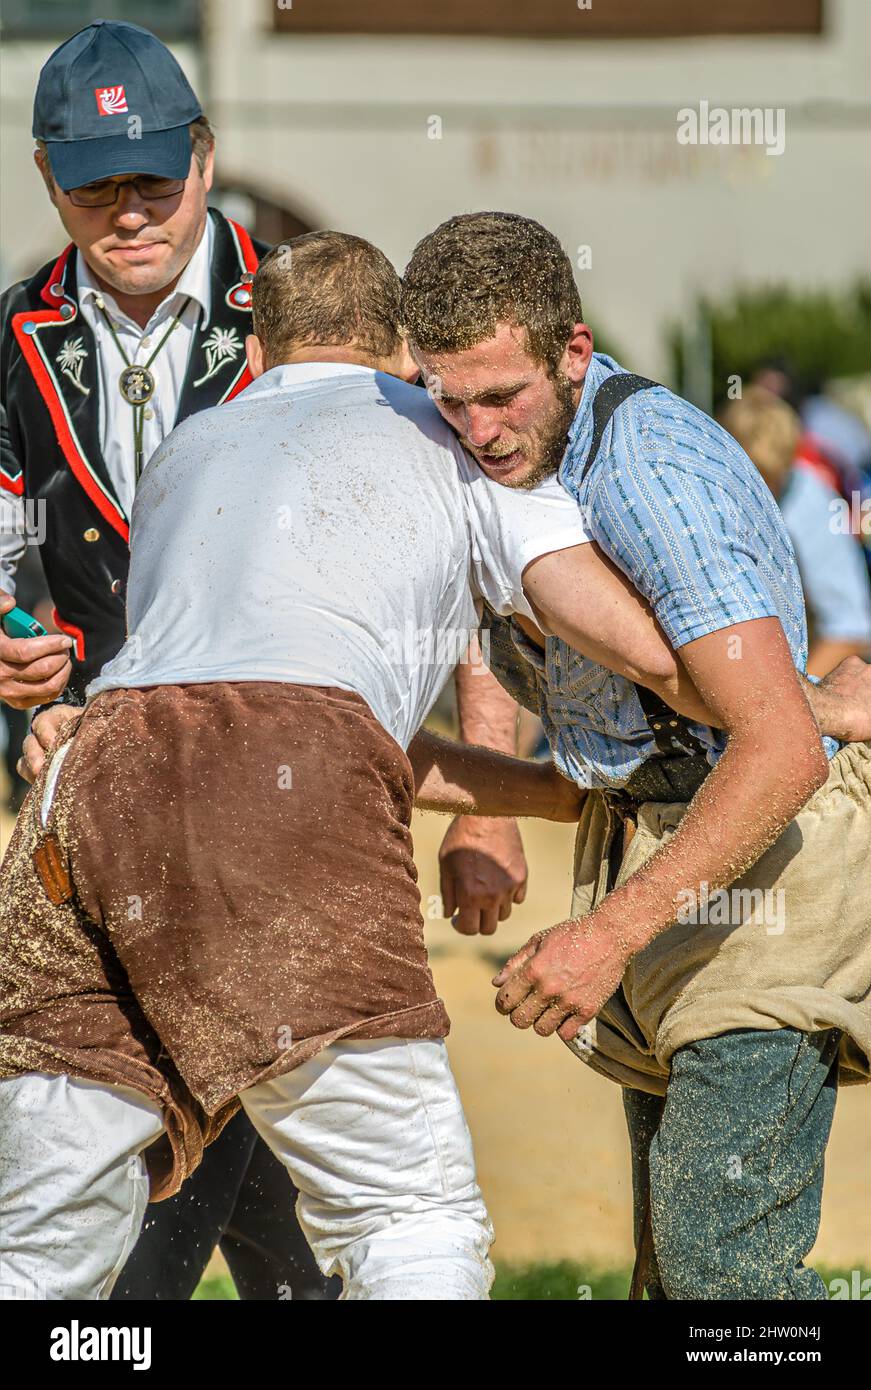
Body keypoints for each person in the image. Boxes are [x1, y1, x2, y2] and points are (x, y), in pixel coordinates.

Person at [3, 228, 709, 1300]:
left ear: (255, 354)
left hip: (94, 773)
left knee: (43, 1224)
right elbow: (626, 638)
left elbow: (198, 692)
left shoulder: (187, 451)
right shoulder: (438, 433)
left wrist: (543, 794)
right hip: (291, 764)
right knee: (401, 1206)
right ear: (399, 357)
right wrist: (762, 694)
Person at [400, 211, 871, 1300]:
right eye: (450, 396)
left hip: (765, 864)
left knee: (725, 1281)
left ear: (571, 351)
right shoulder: (508, 452)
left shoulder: (653, 481)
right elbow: (494, 600)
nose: (475, 428)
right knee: (676, 1279)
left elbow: (784, 751)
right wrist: (481, 804)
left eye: (500, 395)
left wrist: (601, 938)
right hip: (655, 840)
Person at [0, 18, 335, 1302]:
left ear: (206, 155)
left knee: (198, 1058)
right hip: (76, 782)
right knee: (173, 1061)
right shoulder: (11, 335)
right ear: (47, 178)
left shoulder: (304, 311)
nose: (130, 211)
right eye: (95, 184)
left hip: (273, 776)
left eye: (154, 176)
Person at [719, 385, 871, 676]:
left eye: (773, 482)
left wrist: (793, 702)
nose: (765, 494)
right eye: (754, 481)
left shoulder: (811, 500)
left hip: (797, 667)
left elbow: (850, 629)